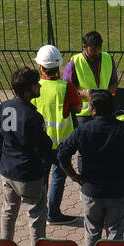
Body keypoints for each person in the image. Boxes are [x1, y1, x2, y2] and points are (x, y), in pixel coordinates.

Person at [59, 90, 124, 246]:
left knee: (92, 233)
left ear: (93, 109)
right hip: (118, 191)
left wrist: (73, 176)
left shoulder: (82, 131)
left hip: (91, 192)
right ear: (113, 107)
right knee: (115, 234)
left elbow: (62, 155)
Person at [0, 66, 56, 246]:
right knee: (36, 216)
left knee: (8, 211)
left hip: (7, 170)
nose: (40, 86)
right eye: (36, 84)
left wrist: (4, 160)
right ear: (28, 90)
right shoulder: (32, 116)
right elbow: (44, 147)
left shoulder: (4, 107)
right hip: (29, 174)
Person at [31, 44, 82, 225]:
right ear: (58, 66)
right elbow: (77, 108)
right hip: (63, 143)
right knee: (58, 177)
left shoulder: (34, 87)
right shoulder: (66, 87)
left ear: (41, 67)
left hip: (41, 143)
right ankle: (53, 213)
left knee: (41, 178)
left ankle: (38, 212)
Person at [64, 31, 118, 126]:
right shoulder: (74, 63)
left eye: (99, 49)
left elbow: (114, 83)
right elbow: (67, 90)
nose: (97, 55)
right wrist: (85, 94)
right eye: (93, 51)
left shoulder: (108, 59)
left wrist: (107, 96)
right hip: (83, 114)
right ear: (84, 47)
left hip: (104, 112)